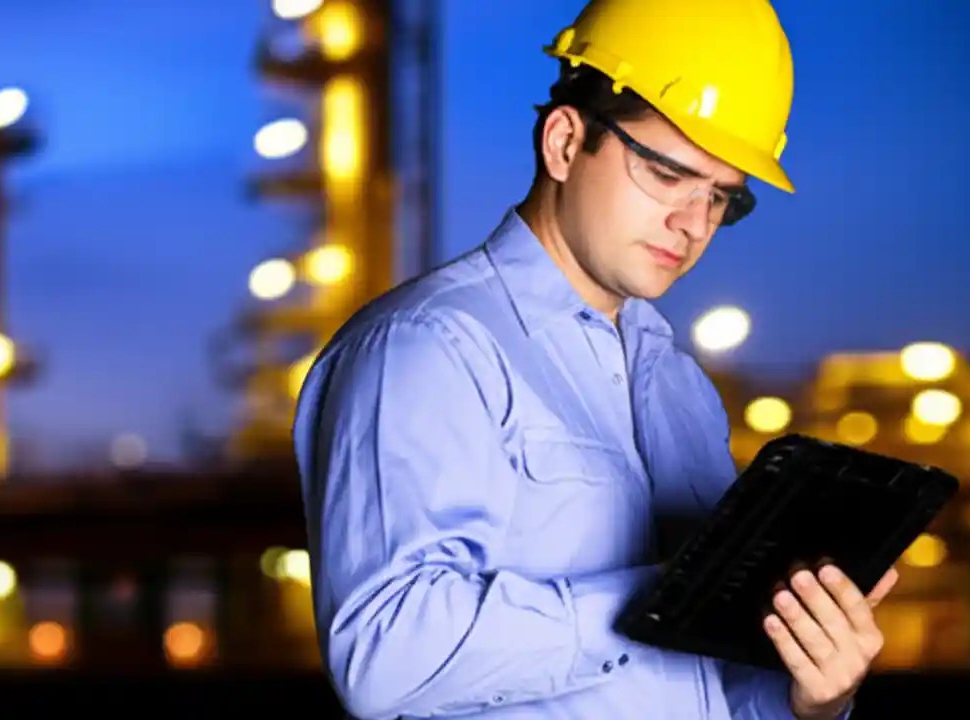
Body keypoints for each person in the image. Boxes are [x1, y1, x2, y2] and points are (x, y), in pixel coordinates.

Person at [291, 0, 898, 717]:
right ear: (564, 142)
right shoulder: (427, 348)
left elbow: (711, 691)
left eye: (721, 198)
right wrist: (670, 595)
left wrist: (813, 692)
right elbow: (383, 654)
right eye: (667, 174)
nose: (693, 222)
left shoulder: (680, 388)